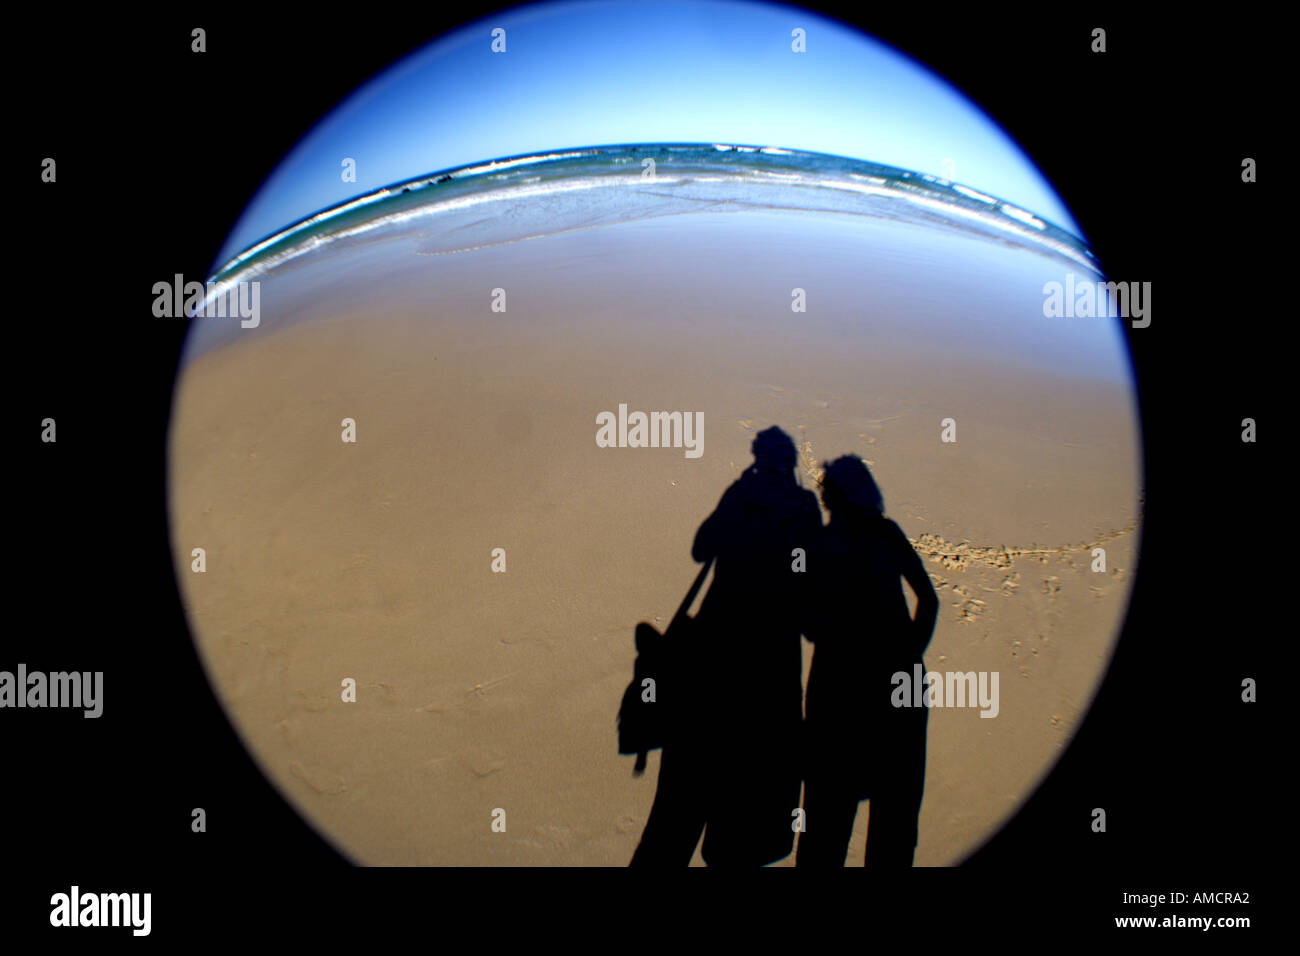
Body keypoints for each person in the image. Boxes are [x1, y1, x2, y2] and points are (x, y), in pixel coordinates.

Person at [631, 426, 822, 866]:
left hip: (709, 675)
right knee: (739, 844)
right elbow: (809, 578)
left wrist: (740, 514)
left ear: (758, 458)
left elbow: (702, 549)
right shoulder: (803, 507)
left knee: (671, 829)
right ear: (790, 463)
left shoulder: (742, 493)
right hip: (770, 686)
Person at [796, 455, 938, 867]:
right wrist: (907, 660)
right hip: (902, 699)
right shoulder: (886, 533)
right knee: (894, 831)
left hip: (836, 697)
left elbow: (809, 625)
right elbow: (928, 601)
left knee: (825, 828)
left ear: (829, 497)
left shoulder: (821, 545)